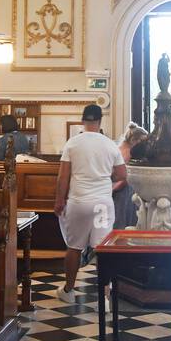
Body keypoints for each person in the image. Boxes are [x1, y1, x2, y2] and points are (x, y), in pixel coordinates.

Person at [54, 104, 126, 303]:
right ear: (100, 121)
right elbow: (122, 174)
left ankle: (68, 290)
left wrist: (59, 201)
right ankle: (105, 294)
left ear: (83, 121)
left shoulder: (72, 144)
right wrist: (103, 177)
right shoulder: (110, 144)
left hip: (78, 202)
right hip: (102, 203)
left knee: (74, 247)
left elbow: (63, 177)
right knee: (103, 249)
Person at [112, 122, 149, 229]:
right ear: (134, 141)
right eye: (142, 143)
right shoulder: (129, 153)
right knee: (124, 219)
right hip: (124, 191)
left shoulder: (118, 149)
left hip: (115, 188)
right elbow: (125, 178)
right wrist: (114, 189)